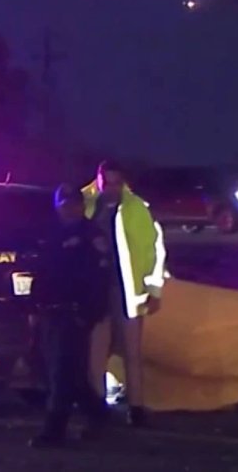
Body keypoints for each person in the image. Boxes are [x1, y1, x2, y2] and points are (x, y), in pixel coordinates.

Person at [82, 160, 168, 427]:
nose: (112, 188)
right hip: (95, 293)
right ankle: (96, 409)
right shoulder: (85, 204)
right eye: (107, 182)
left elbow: (155, 250)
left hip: (127, 293)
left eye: (117, 183)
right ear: (98, 180)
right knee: (96, 353)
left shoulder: (136, 208)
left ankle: (136, 407)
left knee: (132, 352)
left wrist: (154, 289)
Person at [28, 184, 110, 448]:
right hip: (51, 311)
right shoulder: (52, 233)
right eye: (64, 205)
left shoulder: (89, 235)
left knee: (62, 373)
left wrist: (87, 314)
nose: (69, 209)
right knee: (63, 371)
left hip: (74, 312)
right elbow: (42, 273)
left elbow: (99, 278)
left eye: (73, 204)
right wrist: (35, 306)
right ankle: (97, 414)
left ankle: (55, 428)